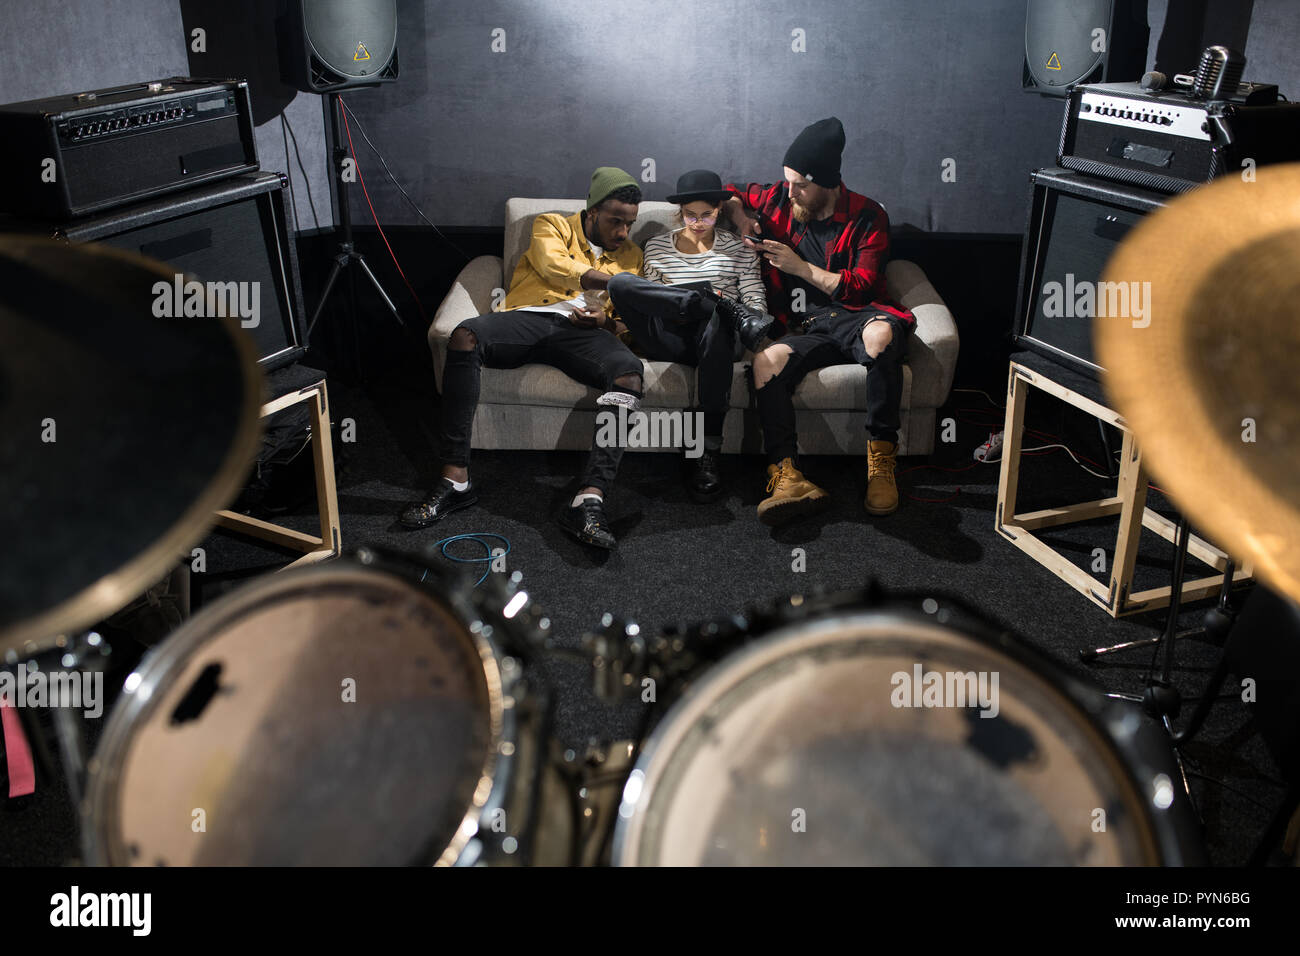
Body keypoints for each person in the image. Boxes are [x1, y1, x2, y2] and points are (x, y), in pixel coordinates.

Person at [399, 167, 646, 550]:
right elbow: (553, 266)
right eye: (616, 222)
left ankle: (589, 498)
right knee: (465, 336)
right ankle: (456, 479)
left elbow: (627, 319)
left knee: (629, 373)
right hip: (528, 318)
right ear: (593, 212)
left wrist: (607, 322)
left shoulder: (632, 254)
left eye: (629, 224)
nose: (623, 233)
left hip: (584, 335)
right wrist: (613, 281)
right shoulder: (552, 225)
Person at [721, 117, 916, 525]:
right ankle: (786, 473)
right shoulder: (777, 198)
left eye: (801, 185)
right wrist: (742, 220)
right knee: (765, 362)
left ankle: (881, 460)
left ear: (828, 183)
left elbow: (861, 288)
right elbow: (730, 192)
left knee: (881, 335)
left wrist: (801, 267)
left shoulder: (867, 215)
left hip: (857, 315)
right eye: (788, 181)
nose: (790, 191)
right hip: (807, 324)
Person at [605, 169, 774, 501]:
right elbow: (650, 299)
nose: (698, 222)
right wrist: (703, 301)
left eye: (707, 215)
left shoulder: (738, 249)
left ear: (719, 211)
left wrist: (721, 310)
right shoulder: (655, 246)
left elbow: (755, 305)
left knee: (717, 320)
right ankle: (715, 305)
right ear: (679, 213)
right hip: (668, 334)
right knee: (619, 284)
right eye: (690, 215)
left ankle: (706, 451)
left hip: (719, 339)